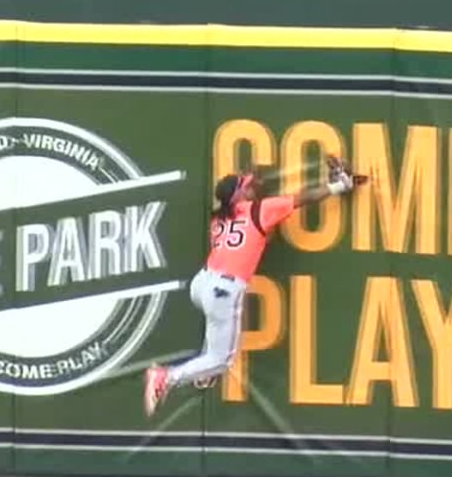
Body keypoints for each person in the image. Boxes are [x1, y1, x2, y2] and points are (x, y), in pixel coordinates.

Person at [143, 154, 366, 416]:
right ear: (239, 196)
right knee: (222, 361)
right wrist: (340, 185)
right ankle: (166, 377)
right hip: (223, 290)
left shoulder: (219, 218)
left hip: (202, 285)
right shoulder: (258, 209)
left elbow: (252, 223)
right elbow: (302, 198)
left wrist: (248, 177)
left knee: (215, 339)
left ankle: (203, 369)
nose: (252, 187)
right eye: (246, 186)